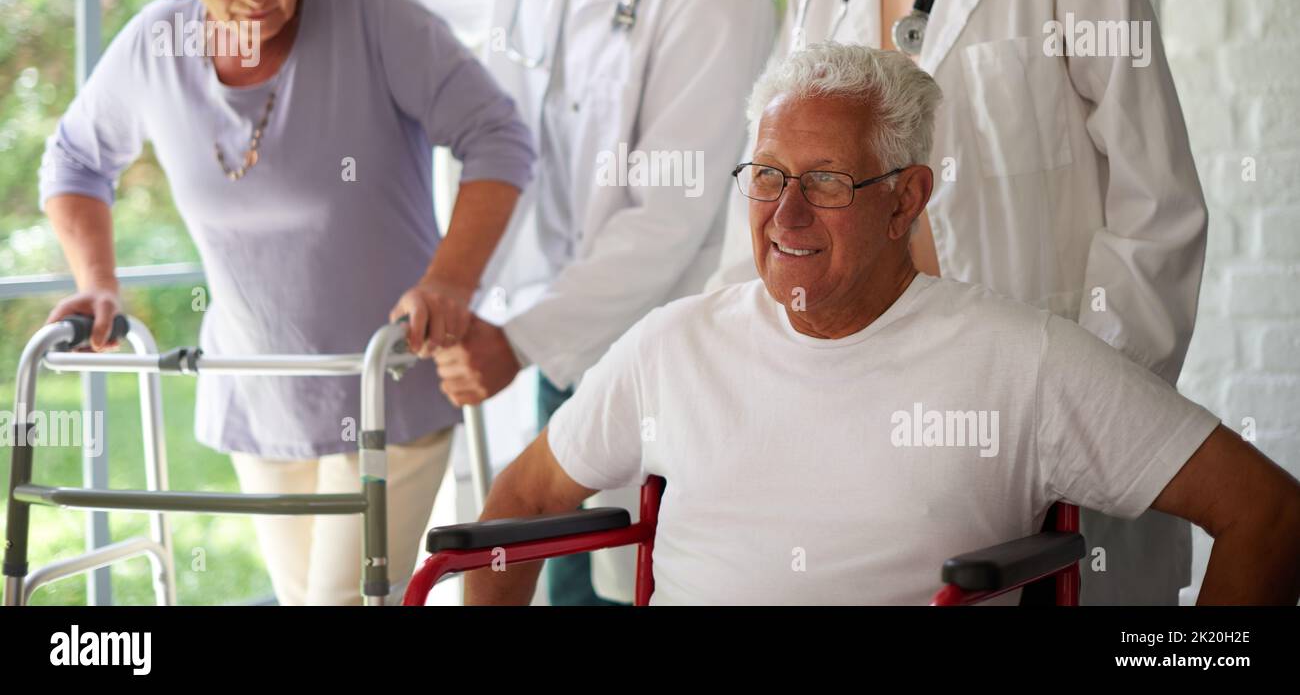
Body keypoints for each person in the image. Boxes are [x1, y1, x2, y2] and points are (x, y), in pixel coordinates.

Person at [463, 43, 1300, 606]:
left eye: (825, 181)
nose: (784, 212)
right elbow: (521, 499)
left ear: (906, 199)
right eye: (765, 175)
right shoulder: (670, 346)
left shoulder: (1020, 359)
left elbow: (1267, 511)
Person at [708, 0, 1209, 604]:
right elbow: (787, 179)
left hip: (1060, 394)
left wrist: (1084, 410)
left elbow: (1155, 197)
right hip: (886, 417)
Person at [38, 0, 535, 605]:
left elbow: (499, 137)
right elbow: (74, 159)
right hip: (259, 391)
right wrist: (98, 281)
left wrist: (451, 282)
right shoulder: (156, 44)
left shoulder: (365, 7)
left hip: (386, 387)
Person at [405, 0, 776, 604]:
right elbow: (405, 4)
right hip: (548, 328)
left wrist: (524, 337)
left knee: (614, 578)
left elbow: (665, 218)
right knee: (543, 557)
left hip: (651, 337)